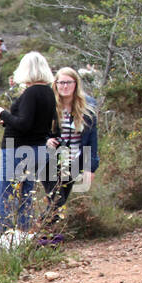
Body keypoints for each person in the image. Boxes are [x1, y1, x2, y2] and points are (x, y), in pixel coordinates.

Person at [0, 51, 57, 244]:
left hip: (16, 150)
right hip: (36, 149)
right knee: (26, 197)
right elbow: (36, 124)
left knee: (6, 197)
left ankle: (0, 245)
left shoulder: (31, 92)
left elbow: (24, 124)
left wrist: (2, 113)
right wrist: (8, 121)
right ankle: (23, 241)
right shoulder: (49, 93)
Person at [40, 66, 99, 239]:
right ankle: (40, 235)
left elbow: (92, 140)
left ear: (75, 84)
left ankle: (41, 234)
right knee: (56, 200)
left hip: (74, 161)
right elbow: (36, 130)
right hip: (49, 161)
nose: (64, 86)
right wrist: (46, 140)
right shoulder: (49, 105)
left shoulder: (87, 107)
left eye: (68, 83)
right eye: (61, 82)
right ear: (55, 84)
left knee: (60, 201)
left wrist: (90, 167)